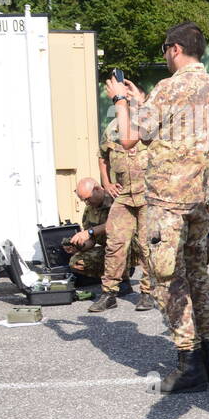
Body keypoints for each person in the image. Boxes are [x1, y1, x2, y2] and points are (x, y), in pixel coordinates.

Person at [104, 22, 209, 393]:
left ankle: (188, 362)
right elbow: (177, 126)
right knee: (198, 275)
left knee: (166, 279)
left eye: (164, 49)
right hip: (198, 198)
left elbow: (128, 138)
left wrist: (121, 102)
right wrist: (143, 102)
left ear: (175, 49)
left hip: (167, 200)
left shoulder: (170, 87)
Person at [90, 121, 154, 311]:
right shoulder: (111, 128)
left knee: (147, 245)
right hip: (123, 195)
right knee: (114, 244)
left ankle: (148, 293)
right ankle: (109, 293)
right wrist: (106, 183)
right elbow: (103, 156)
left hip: (147, 196)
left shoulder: (149, 125)